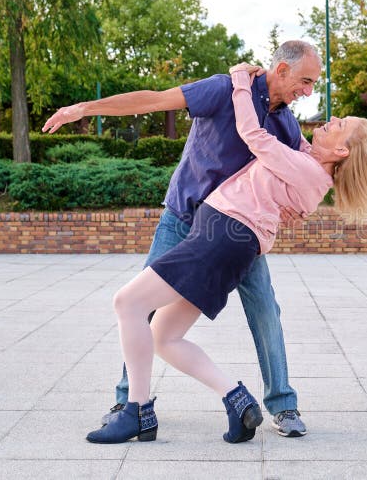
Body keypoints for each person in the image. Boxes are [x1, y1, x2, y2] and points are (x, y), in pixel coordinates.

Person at [80, 63, 367, 444]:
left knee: (128, 303)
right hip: (223, 235)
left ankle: (136, 411)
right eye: (307, 81)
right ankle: (236, 399)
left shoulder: (304, 163)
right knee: (163, 334)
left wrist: (239, 80)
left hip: (220, 234)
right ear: (281, 70)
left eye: (341, 124)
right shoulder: (311, 163)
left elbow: (253, 136)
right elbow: (299, 168)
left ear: (342, 149)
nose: (330, 114)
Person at [43, 40, 321, 438]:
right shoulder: (224, 89)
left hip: (232, 232)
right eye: (305, 81)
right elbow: (154, 100)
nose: (308, 91)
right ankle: (128, 400)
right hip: (182, 217)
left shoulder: (286, 126)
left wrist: (293, 208)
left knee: (265, 310)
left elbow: (299, 177)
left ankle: (283, 404)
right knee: (142, 307)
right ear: (280, 69)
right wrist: (85, 108)